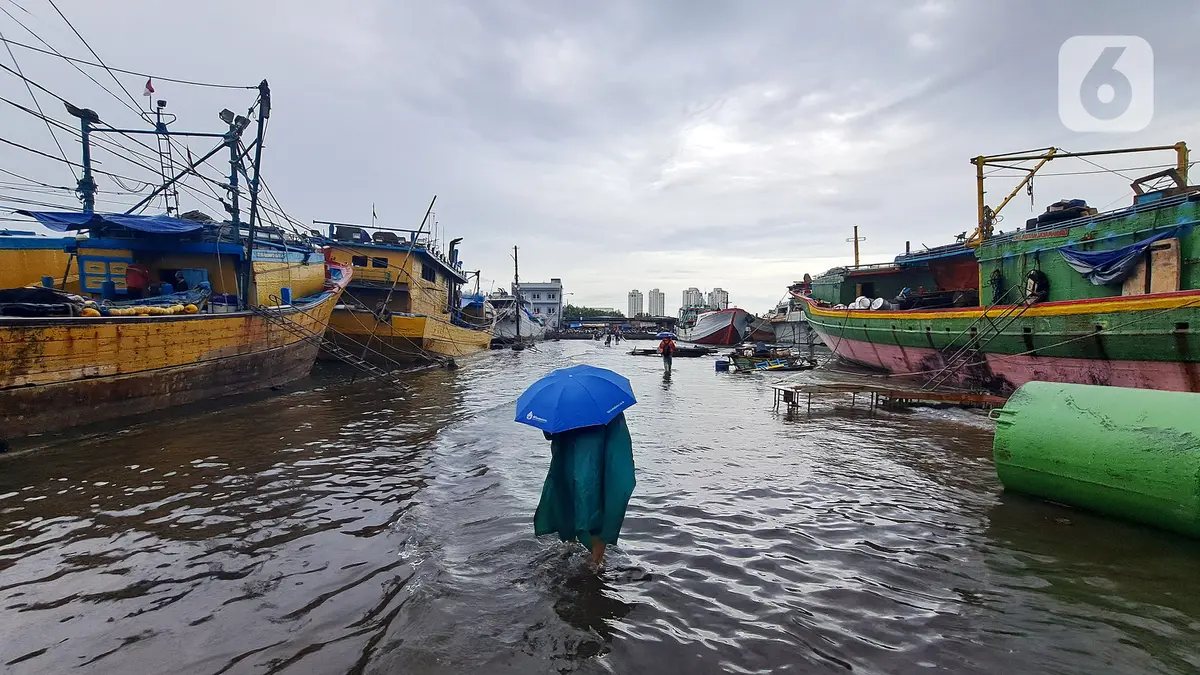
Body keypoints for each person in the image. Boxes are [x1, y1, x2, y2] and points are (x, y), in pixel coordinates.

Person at [535, 412, 636, 568]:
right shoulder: (605, 404)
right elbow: (617, 437)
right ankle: (596, 564)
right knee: (596, 506)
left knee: (568, 499)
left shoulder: (560, 404)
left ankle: (572, 550)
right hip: (596, 460)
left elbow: (549, 432)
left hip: (569, 457)